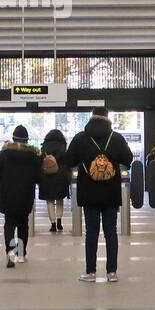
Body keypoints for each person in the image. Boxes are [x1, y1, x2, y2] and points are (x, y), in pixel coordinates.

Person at [62, 107, 134, 283]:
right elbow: (128, 159)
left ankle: (91, 272)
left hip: (89, 191)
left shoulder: (81, 138)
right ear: (107, 119)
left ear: (91, 118)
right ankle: (112, 273)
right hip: (111, 192)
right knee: (111, 232)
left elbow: (68, 160)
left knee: (91, 232)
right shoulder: (116, 138)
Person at [0, 125, 43, 268]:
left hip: (7, 194)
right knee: (23, 224)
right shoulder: (33, 156)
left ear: (13, 138)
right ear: (27, 140)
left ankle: (9, 252)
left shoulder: (3, 154)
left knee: (9, 223)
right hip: (25, 195)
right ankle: (21, 254)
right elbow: (38, 177)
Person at [39, 128, 71, 233]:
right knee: (60, 199)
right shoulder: (63, 146)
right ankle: (59, 222)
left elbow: (40, 162)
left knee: (50, 201)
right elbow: (67, 161)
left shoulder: (44, 147)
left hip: (47, 176)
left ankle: (52, 224)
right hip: (60, 176)